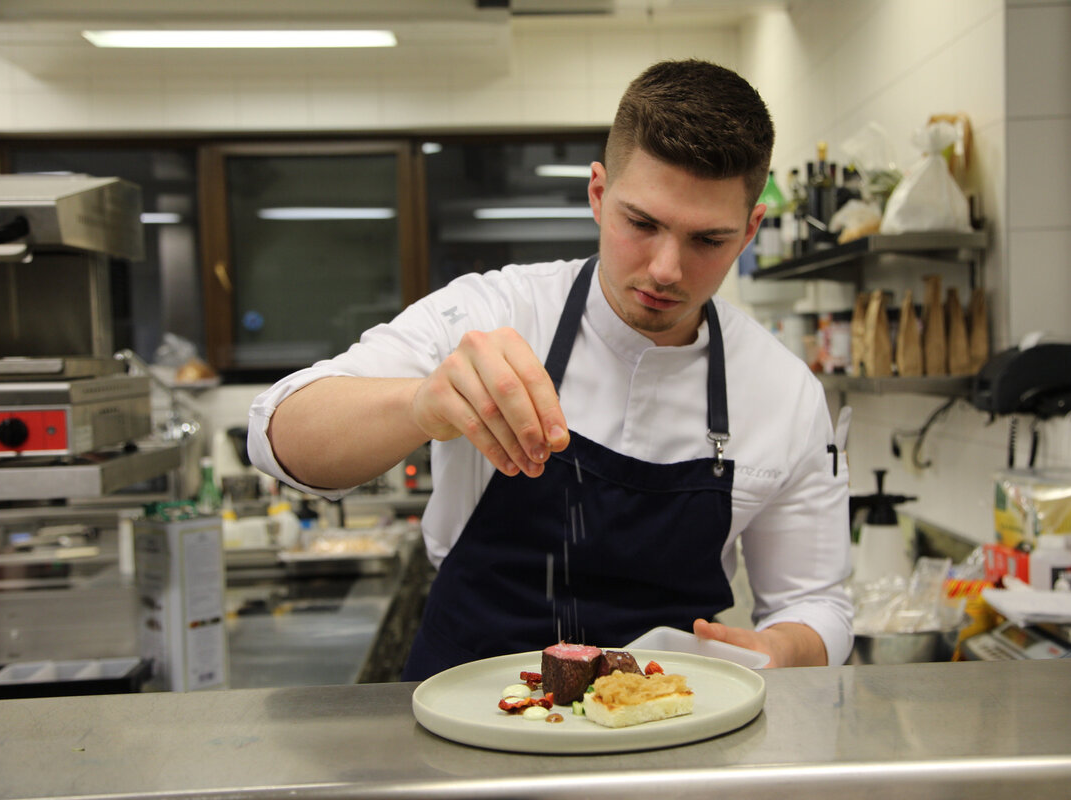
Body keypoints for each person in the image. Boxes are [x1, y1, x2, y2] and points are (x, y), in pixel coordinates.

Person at [248, 59, 852, 680]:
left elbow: (818, 603)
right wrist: (419, 404)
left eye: (708, 241)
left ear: (751, 229)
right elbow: (277, 436)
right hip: (468, 721)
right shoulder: (493, 312)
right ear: (597, 194)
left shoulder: (785, 393)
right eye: (641, 224)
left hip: (671, 730)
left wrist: (783, 650)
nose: (667, 269)